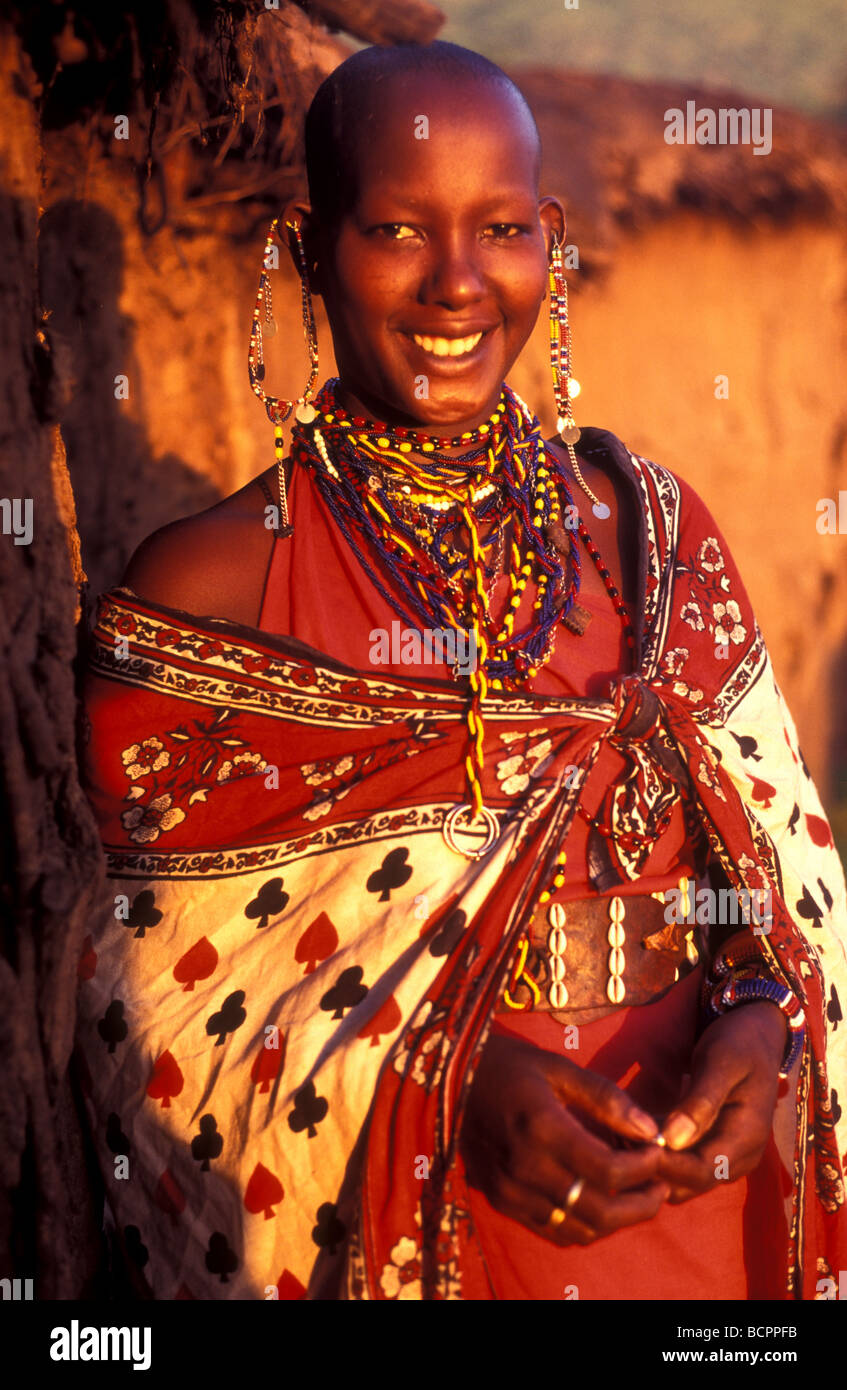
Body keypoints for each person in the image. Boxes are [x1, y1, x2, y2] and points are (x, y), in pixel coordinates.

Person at [75, 41, 847, 1301]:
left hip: (710, 1219)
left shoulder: (651, 534)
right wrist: (447, 1083)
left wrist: (765, 1015)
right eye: (395, 230)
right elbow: (143, 1009)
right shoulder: (211, 591)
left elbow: (767, 871)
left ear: (548, 239)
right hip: (437, 1236)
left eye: (498, 230)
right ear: (310, 247)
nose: (455, 284)